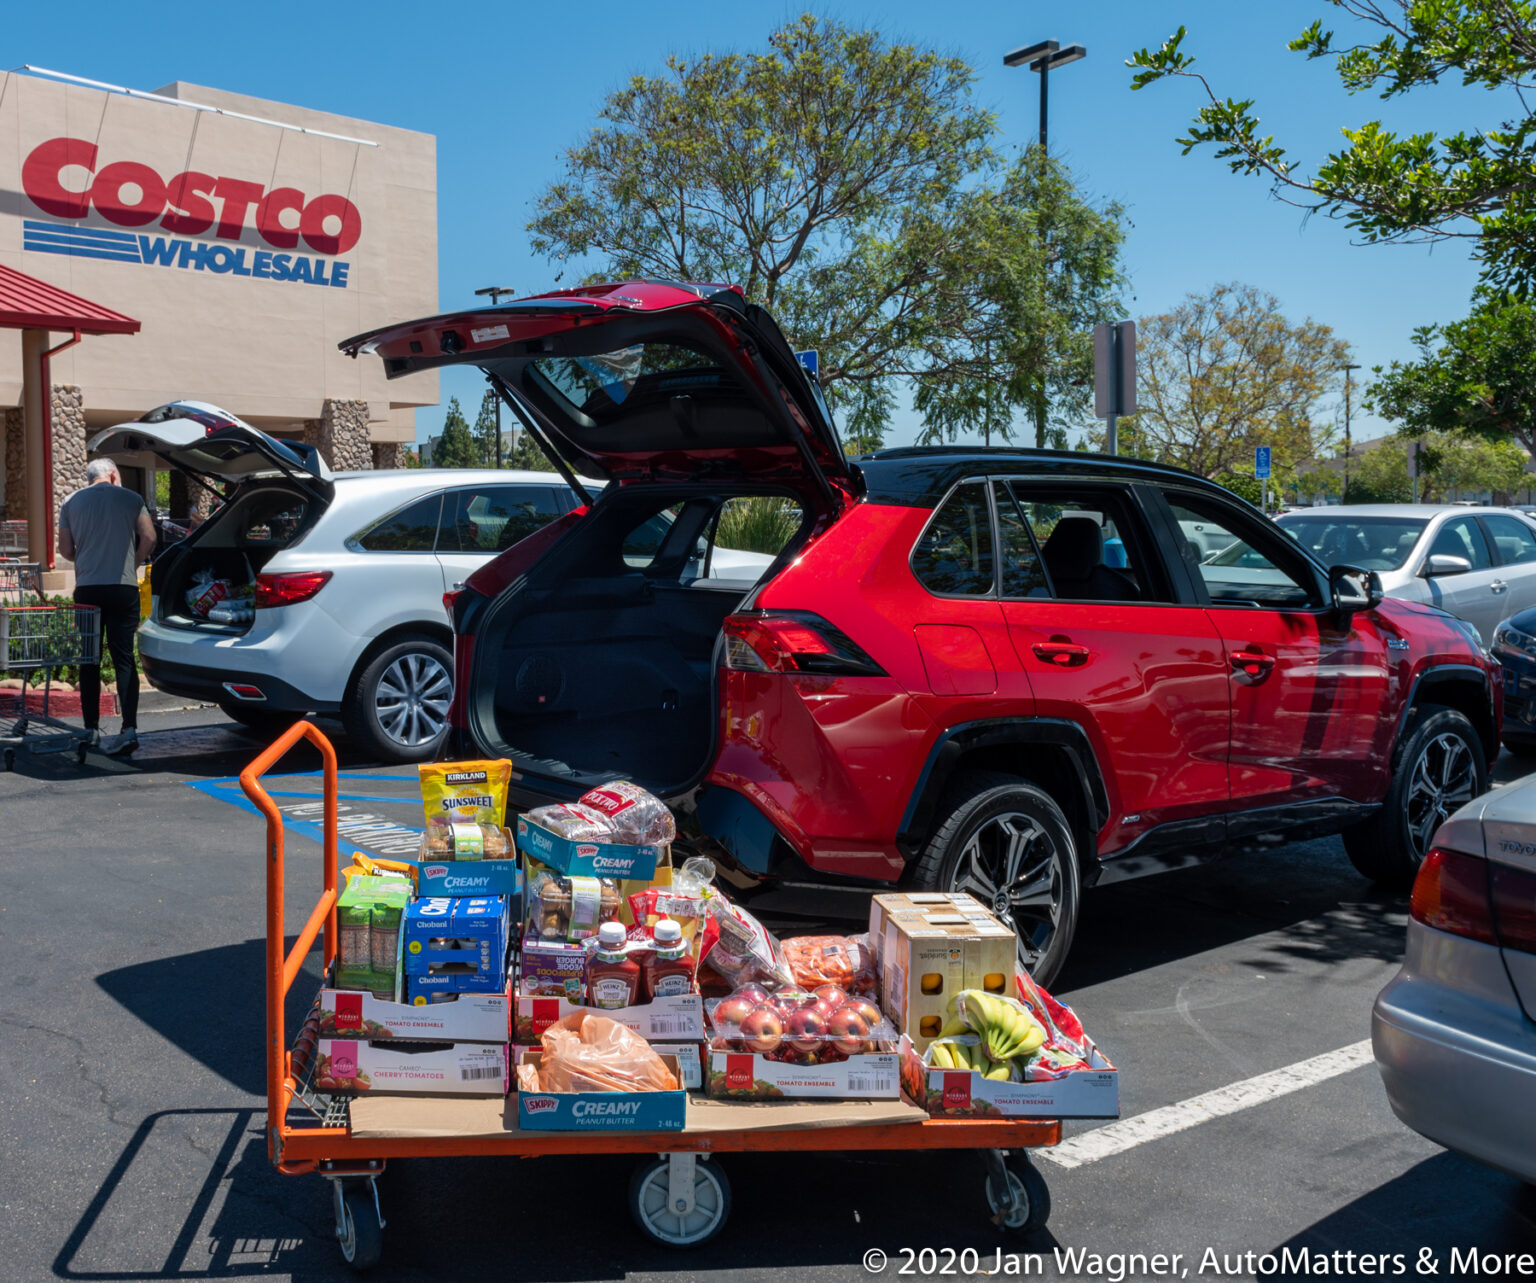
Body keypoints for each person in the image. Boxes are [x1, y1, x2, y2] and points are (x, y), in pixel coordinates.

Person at [57, 458, 156, 755]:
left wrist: (88, 557)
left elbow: (65, 550)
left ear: (89, 477)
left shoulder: (70, 501)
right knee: (123, 657)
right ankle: (128, 729)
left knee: (90, 658)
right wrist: (131, 563)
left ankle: (90, 729)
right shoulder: (131, 498)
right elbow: (149, 537)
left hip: (88, 588)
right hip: (123, 587)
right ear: (113, 475)